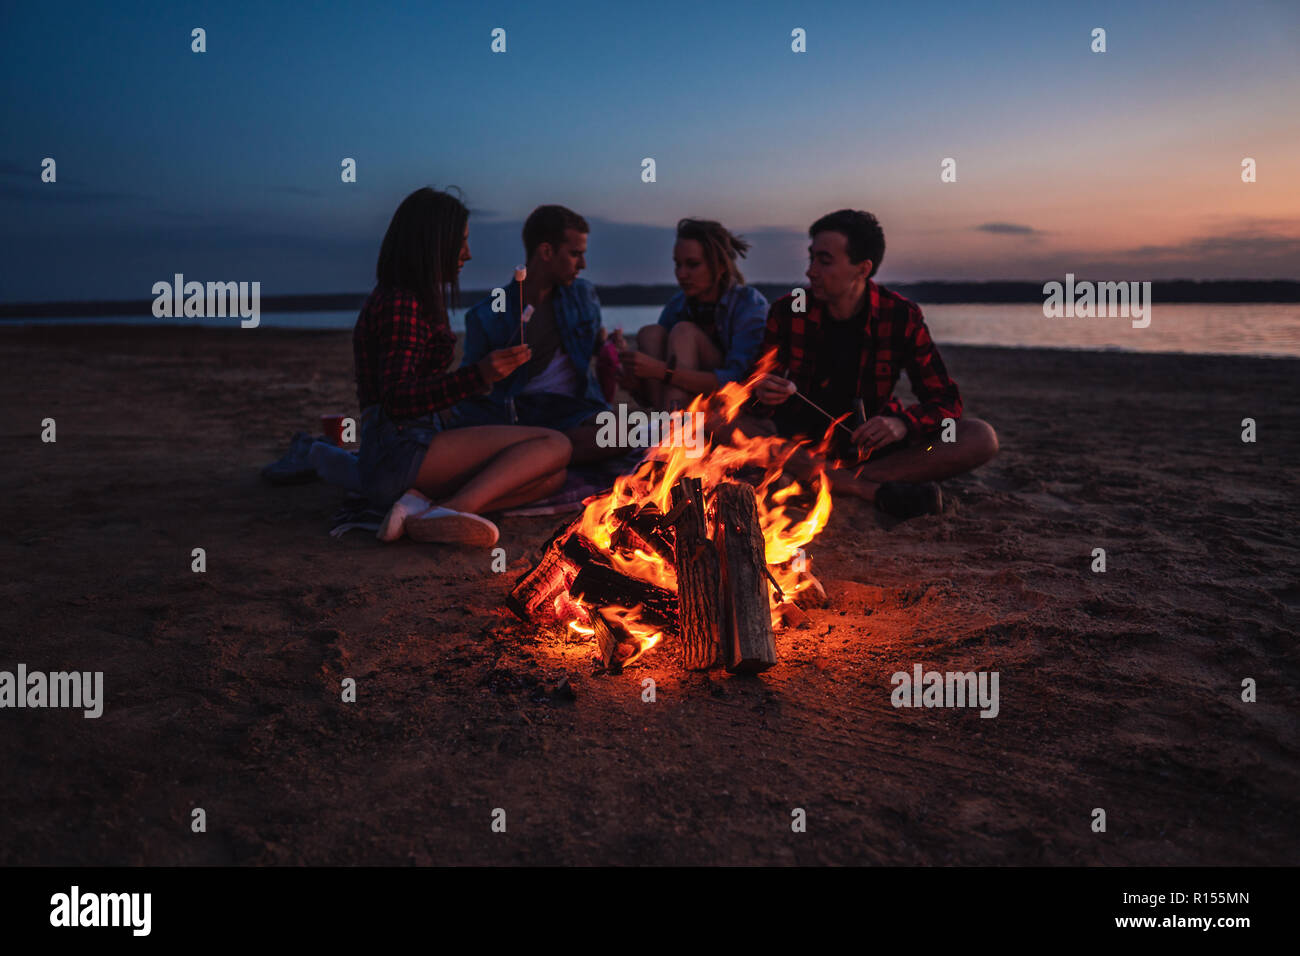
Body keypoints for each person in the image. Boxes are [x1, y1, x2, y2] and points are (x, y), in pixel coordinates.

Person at [352, 187, 572, 547]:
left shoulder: (415, 299)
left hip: (413, 445)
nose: (467, 254)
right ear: (431, 244)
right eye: (461, 242)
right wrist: (479, 375)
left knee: (552, 478)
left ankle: (421, 510)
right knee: (556, 443)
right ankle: (450, 509)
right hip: (398, 450)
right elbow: (397, 399)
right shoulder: (401, 303)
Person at [748, 209, 998, 520]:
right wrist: (763, 390)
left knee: (979, 436)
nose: (810, 271)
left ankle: (836, 481)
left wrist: (901, 424)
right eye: (811, 258)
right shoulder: (788, 311)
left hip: (868, 448)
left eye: (824, 261)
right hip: (799, 443)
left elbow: (945, 400)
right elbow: (752, 392)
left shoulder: (901, 316)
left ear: (862, 269)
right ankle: (863, 488)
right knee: (722, 421)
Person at [449, 205, 623, 462]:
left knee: (624, 434)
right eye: (575, 254)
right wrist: (486, 374)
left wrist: (609, 347)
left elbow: (593, 345)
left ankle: (539, 454)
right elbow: (470, 386)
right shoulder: (487, 314)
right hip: (517, 414)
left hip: (575, 409)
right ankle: (541, 452)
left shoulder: (584, 296)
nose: (583, 264)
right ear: (546, 251)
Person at [617, 218, 768, 410]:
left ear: (720, 266)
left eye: (692, 264)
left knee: (684, 333)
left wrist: (663, 372)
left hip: (733, 405)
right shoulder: (678, 305)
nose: (681, 274)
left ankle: (677, 426)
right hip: (682, 402)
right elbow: (657, 383)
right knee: (650, 333)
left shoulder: (749, 304)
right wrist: (636, 384)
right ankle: (669, 424)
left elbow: (738, 381)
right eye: (678, 264)